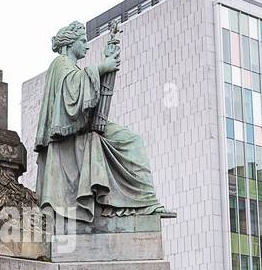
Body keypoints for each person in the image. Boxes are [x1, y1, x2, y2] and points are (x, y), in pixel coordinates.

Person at [34, 22, 173, 224]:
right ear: (70, 43)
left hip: (84, 127)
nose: (87, 46)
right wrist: (102, 67)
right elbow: (70, 93)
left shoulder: (72, 67)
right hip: (72, 134)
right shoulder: (60, 63)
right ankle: (121, 202)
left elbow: (84, 94)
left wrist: (106, 65)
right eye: (83, 41)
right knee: (132, 141)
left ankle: (142, 201)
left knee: (133, 140)